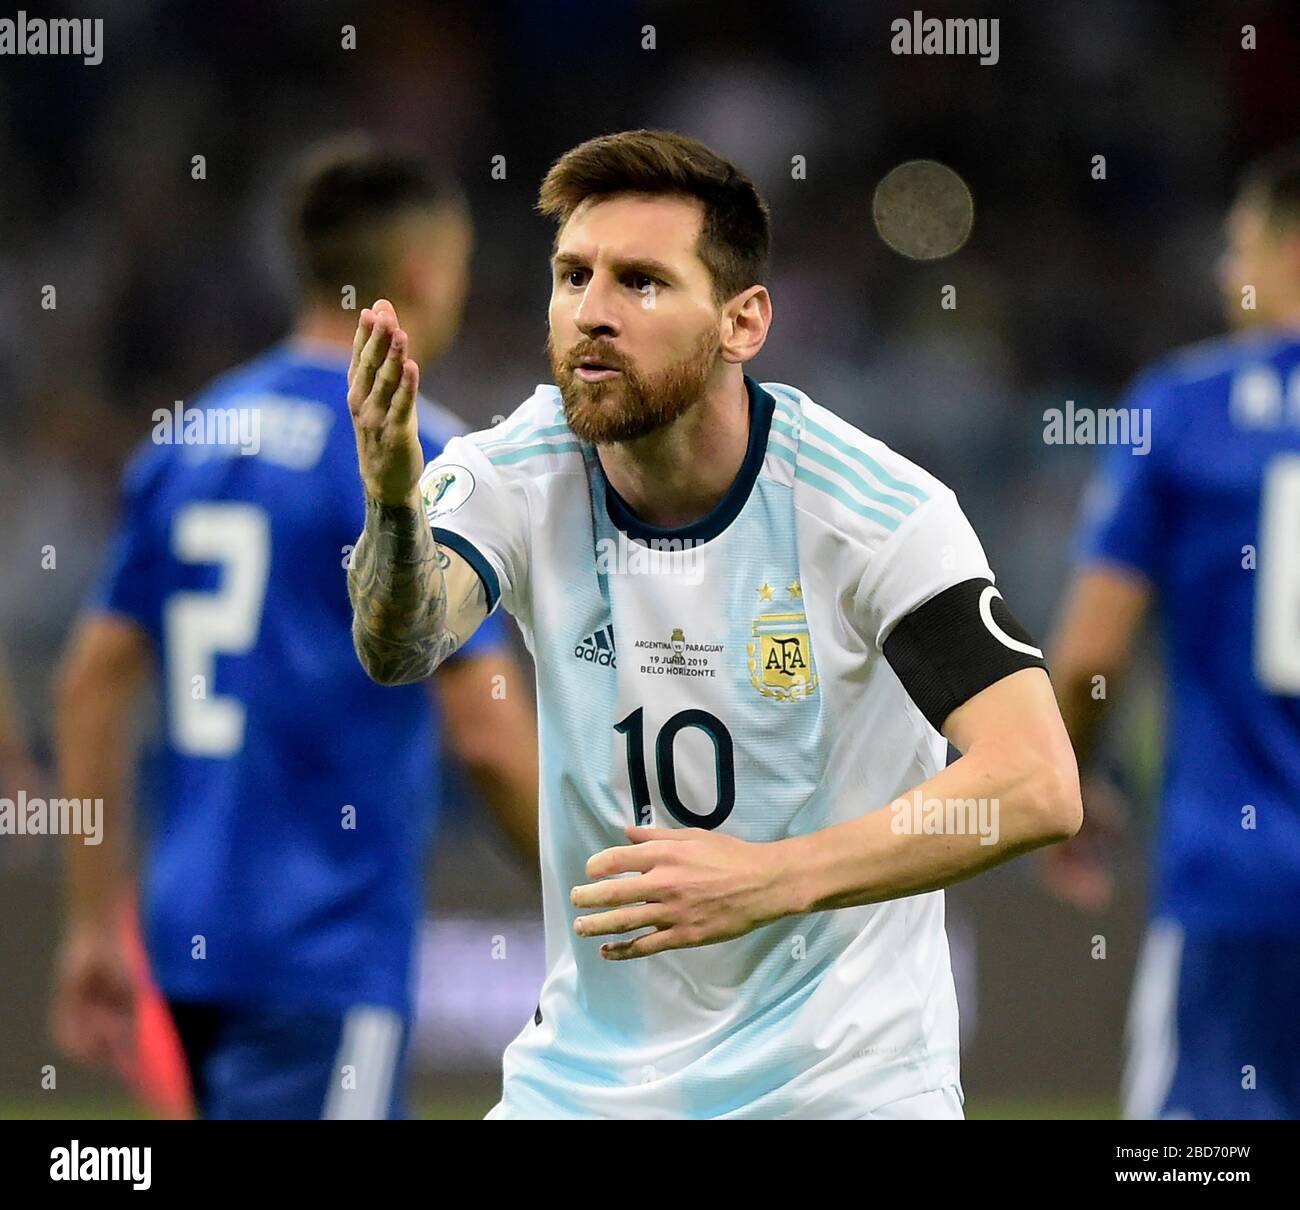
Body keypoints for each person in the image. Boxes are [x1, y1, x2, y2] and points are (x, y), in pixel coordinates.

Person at [346, 129, 1081, 1120]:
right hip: (586, 1085)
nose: (592, 313)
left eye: (641, 282)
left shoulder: (870, 512)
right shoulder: (514, 469)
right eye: (573, 276)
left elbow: (1036, 782)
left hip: (845, 1084)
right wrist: (394, 500)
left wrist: (771, 878)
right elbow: (398, 646)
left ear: (742, 323)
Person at [51, 139, 539, 1120]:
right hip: (322, 944)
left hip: (187, 934)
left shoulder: (191, 436)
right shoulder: (411, 453)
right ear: (421, 272)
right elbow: (481, 727)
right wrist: (591, 897)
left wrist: (92, 920)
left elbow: (91, 680)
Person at [1047, 145, 1300, 1120]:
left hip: (1232, 883)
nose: (1222, 272)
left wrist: (1072, 783)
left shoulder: (1181, 409)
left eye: (1239, 246)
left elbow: (1089, 656)